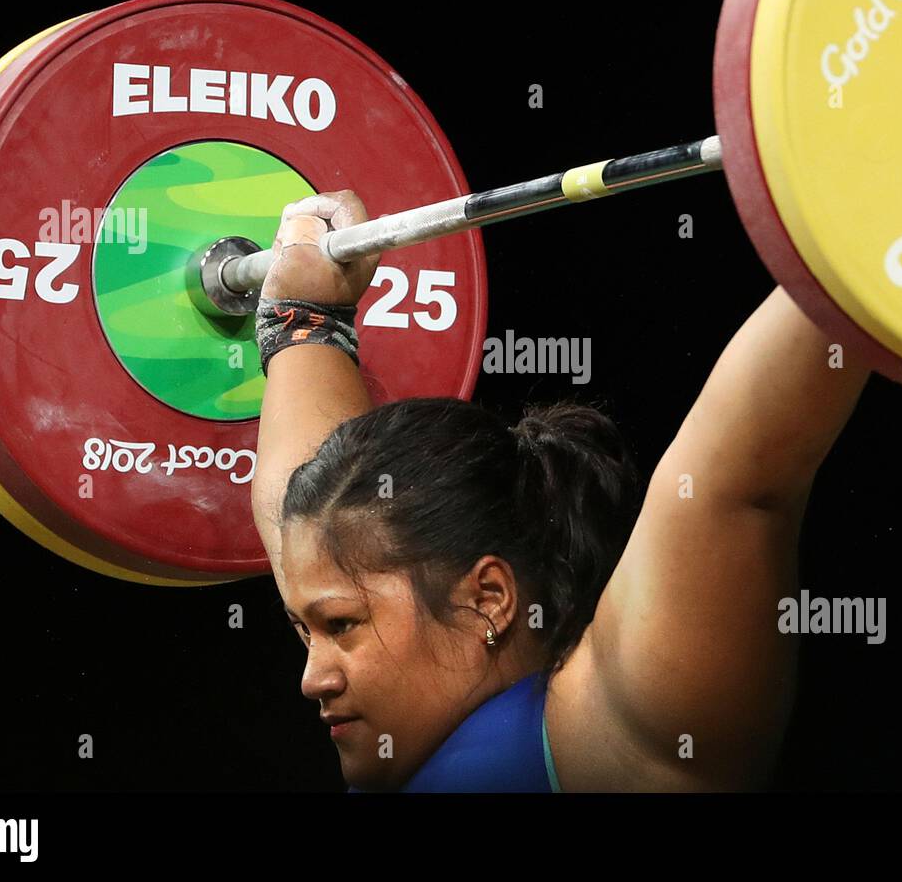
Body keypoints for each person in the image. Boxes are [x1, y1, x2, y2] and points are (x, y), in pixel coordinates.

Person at [252, 190, 869, 792]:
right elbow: (297, 511)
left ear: (489, 597)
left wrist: (887, 229)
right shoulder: (371, 647)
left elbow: (734, 486)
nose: (311, 678)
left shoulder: (611, 742)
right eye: (308, 629)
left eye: (340, 625)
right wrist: (303, 319)